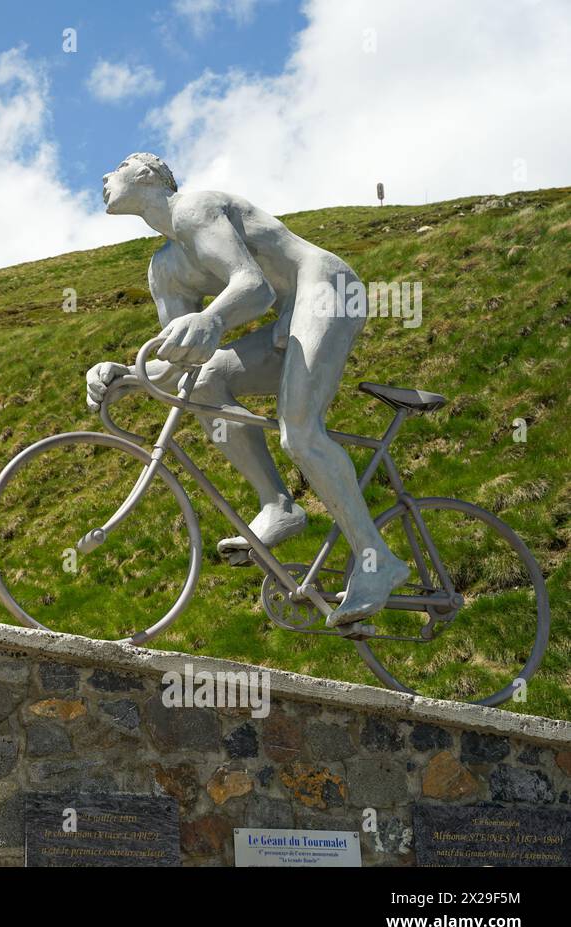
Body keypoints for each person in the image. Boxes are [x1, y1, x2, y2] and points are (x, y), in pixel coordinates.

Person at [86, 152, 408, 626]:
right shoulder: (164, 269)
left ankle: (378, 562)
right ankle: (277, 505)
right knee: (205, 382)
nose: (102, 176)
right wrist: (125, 376)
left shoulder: (194, 208)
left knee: (299, 432)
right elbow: (182, 366)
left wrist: (212, 318)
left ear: (147, 175)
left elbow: (254, 288)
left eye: (115, 167)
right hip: (286, 319)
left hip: (323, 290)